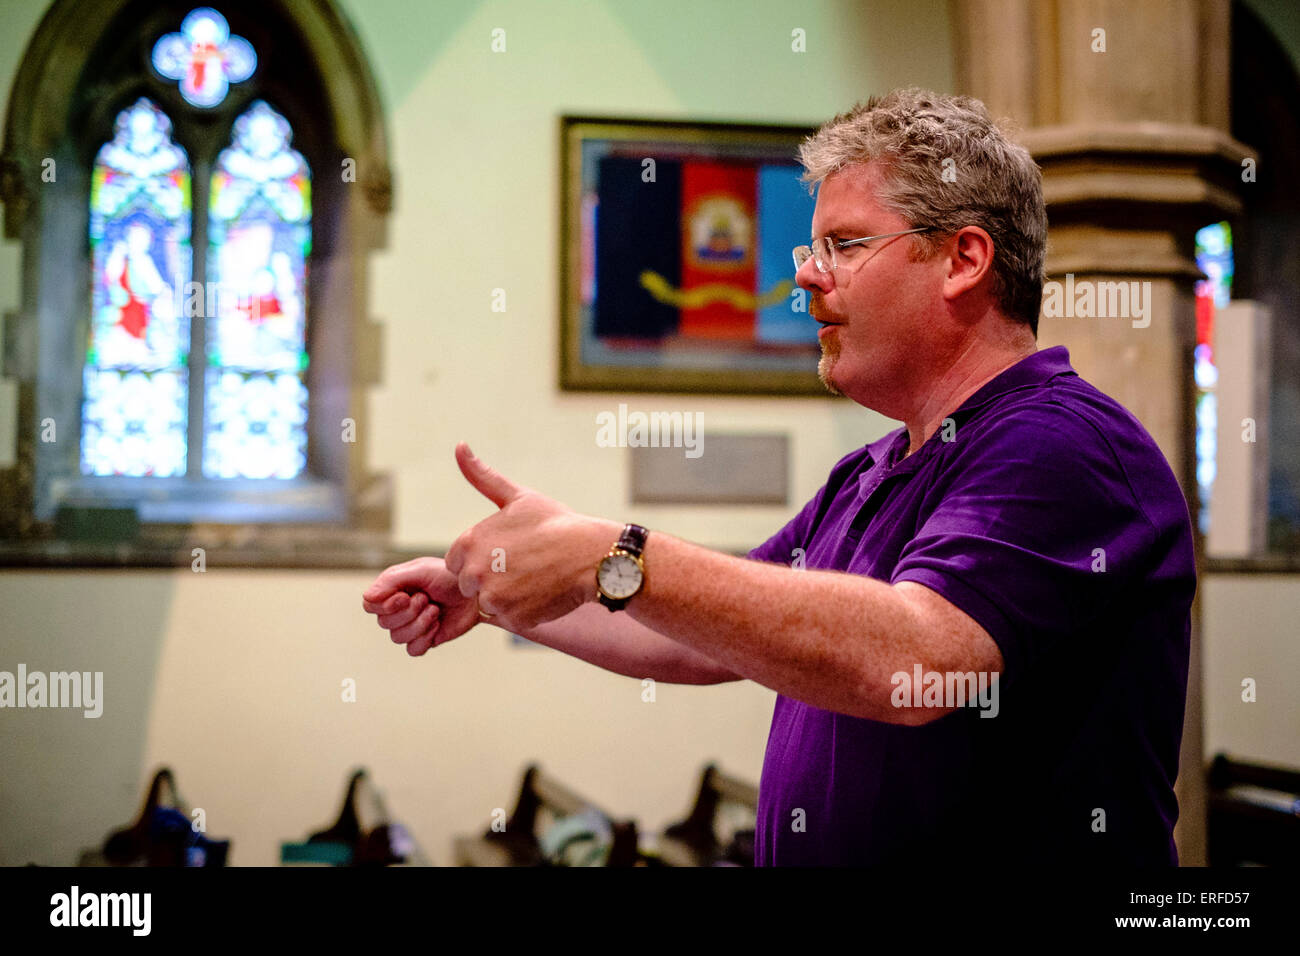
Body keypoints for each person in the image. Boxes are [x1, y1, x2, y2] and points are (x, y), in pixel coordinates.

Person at [363, 88, 1196, 866]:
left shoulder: (1061, 444)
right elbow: (691, 630)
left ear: (963, 259)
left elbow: (920, 658)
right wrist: (508, 588)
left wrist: (604, 554)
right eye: (813, 246)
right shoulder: (872, 471)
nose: (805, 275)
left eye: (845, 245)